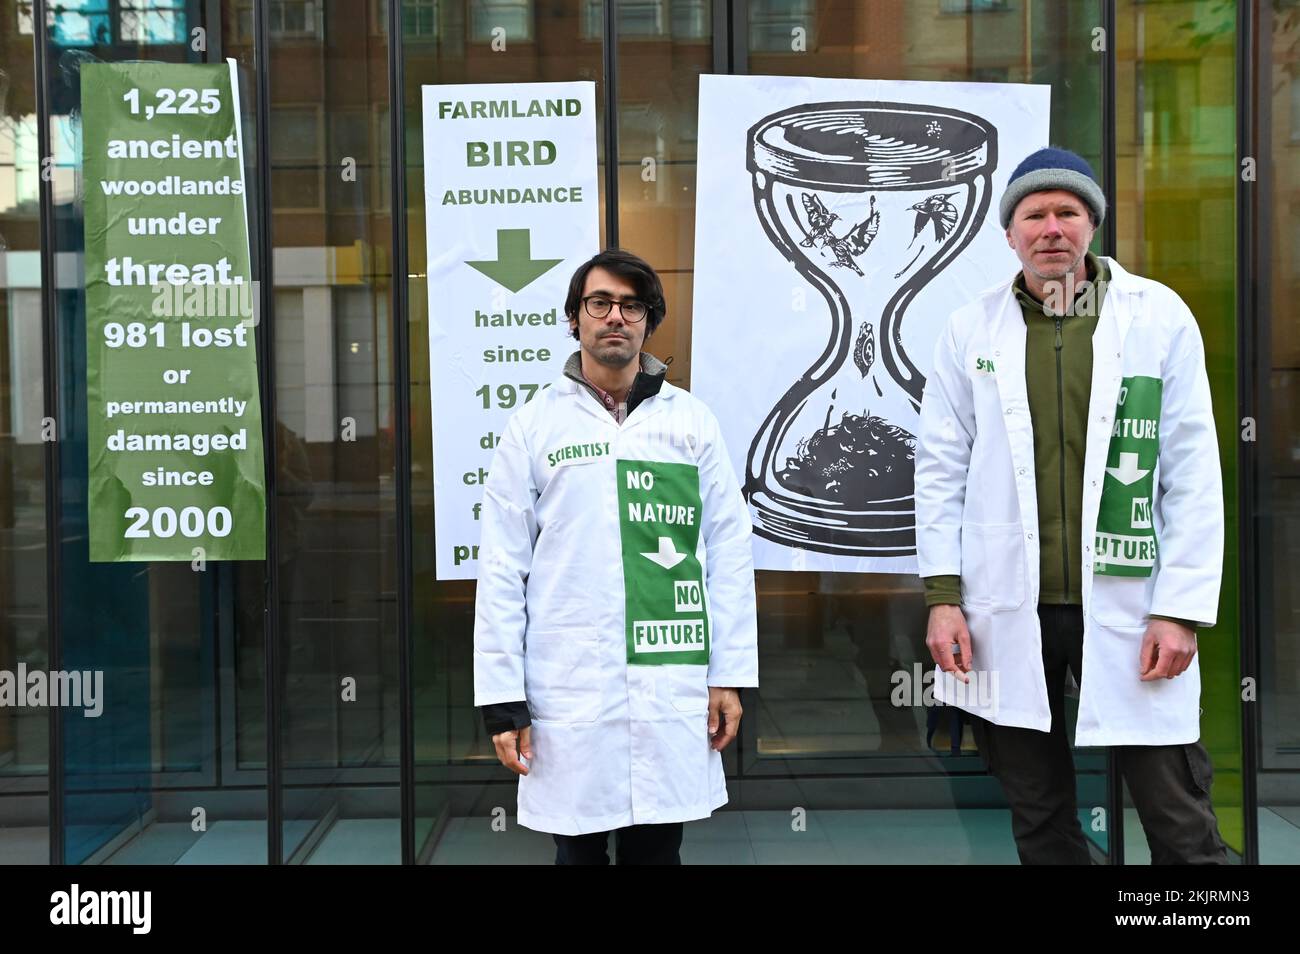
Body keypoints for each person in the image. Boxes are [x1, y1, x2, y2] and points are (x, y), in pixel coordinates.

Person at [914, 147, 1228, 864]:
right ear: (1010, 232)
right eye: (1035, 213)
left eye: (1068, 212)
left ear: (1092, 224)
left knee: (1176, 812)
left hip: (1129, 603)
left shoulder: (1158, 318)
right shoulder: (971, 328)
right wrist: (942, 596)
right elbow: (939, 469)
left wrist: (1178, 609)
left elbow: (1193, 473)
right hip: (1006, 606)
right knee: (1039, 815)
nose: (1051, 227)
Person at [473, 248, 759, 865]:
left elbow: (728, 553)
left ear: (648, 322)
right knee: (577, 855)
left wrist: (727, 676)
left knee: (657, 851)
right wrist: (503, 699)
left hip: (669, 676)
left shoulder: (691, 422)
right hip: (568, 686)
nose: (614, 317)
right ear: (575, 319)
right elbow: (501, 569)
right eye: (598, 303)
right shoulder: (533, 427)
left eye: (631, 306)